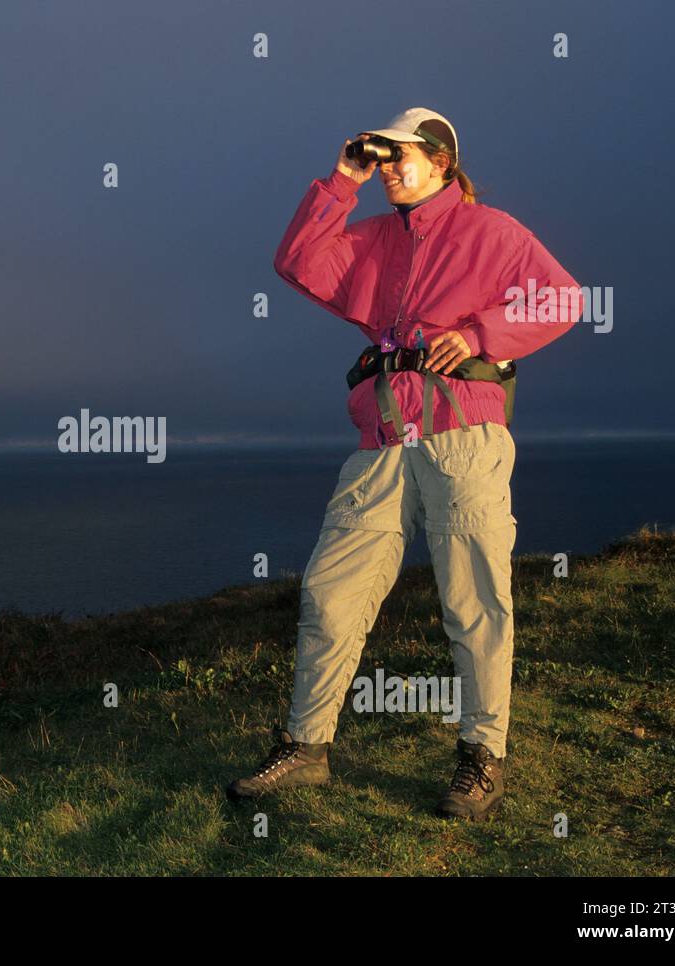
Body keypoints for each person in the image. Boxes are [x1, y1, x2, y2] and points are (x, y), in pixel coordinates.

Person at [227, 107, 582, 820]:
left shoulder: (494, 232)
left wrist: (482, 331)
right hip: (386, 439)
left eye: (400, 156)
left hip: (463, 437)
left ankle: (482, 758)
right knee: (331, 593)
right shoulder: (375, 237)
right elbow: (297, 262)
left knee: (474, 602)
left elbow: (564, 298)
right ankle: (306, 747)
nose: (388, 167)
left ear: (442, 161)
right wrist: (341, 180)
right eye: (380, 157)